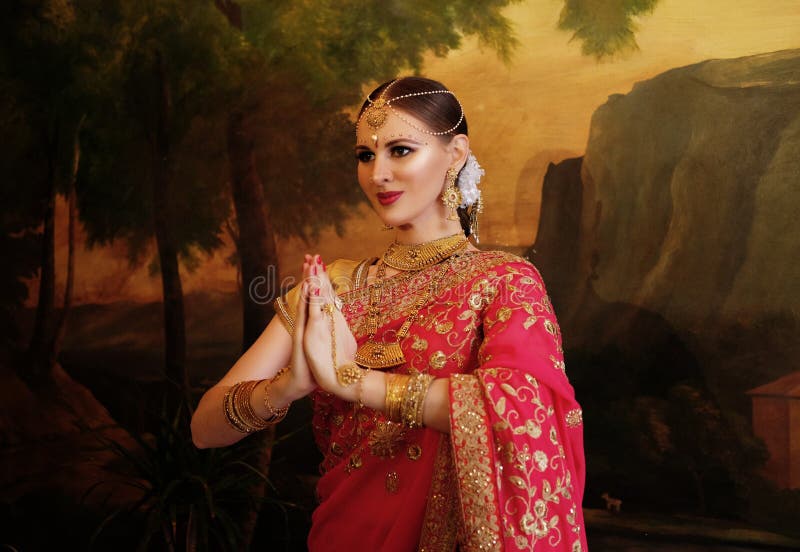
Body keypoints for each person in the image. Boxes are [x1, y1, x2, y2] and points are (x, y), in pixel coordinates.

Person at [191, 76, 587, 551]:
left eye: (400, 150)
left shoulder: (503, 282)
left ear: (456, 154)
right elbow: (204, 429)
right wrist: (290, 385)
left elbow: (521, 415)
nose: (377, 173)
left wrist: (351, 381)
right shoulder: (332, 289)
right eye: (365, 155)